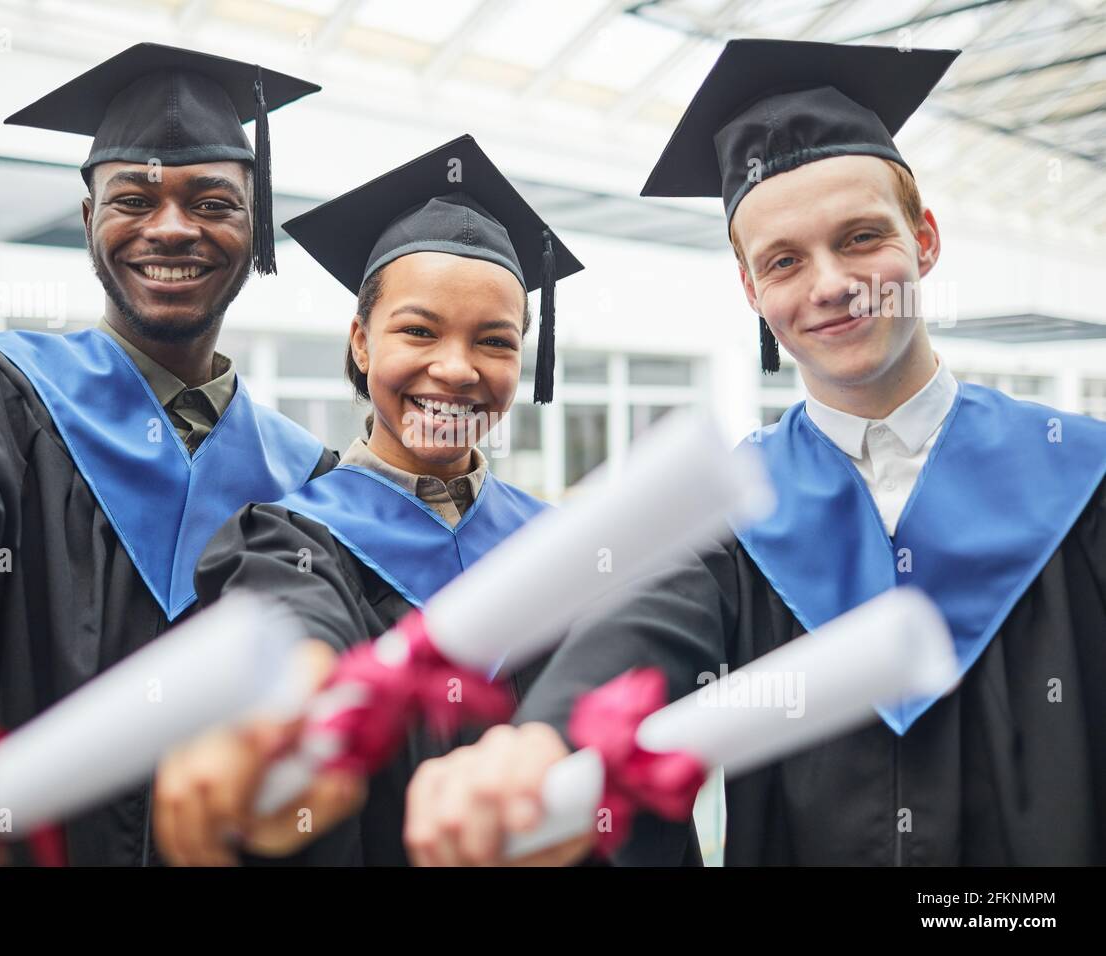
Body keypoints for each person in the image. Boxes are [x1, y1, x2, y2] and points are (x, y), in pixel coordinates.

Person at [403, 39, 1106, 866]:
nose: (831, 283)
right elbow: (636, 629)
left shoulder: (1080, 472)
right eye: (783, 260)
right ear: (750, 290)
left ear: (925, 240)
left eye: (861, 238)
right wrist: (543, 744)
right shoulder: (737, 506)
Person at [0, 43, 335, 866]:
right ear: (90, 222)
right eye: (134, 197)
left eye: (210, 200)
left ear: (253, 227)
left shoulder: (307, 481)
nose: (170, 226)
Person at [151, 134, 586, 866]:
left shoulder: (561, 547)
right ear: (360, 341)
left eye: (495, 342)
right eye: (417, 330)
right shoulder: (291, 541)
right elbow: (292, 626)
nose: (456, 369)